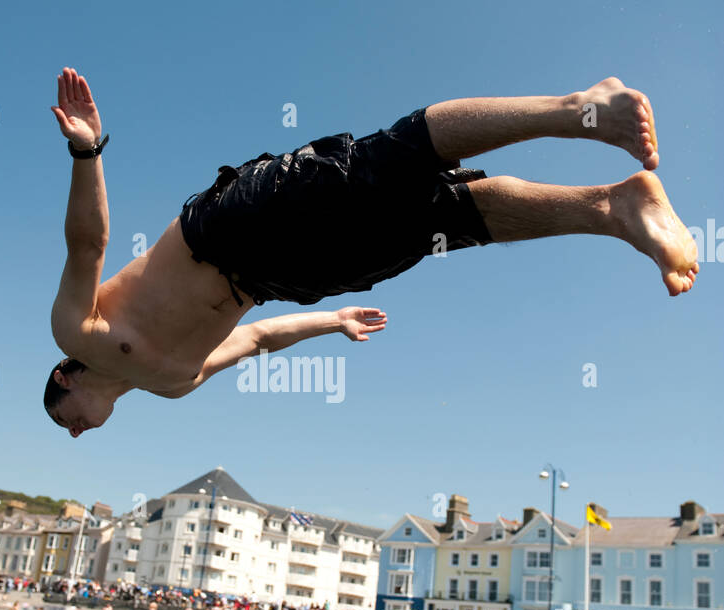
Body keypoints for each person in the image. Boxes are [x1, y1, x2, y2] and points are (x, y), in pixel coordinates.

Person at [43, 70, 696, 434]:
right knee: (432, 223)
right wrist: (334, 321)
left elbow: (89, 241)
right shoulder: (173, 384)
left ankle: (575, 108)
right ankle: (611, 208)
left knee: (376, 169)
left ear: (64, 378)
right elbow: (260, 341)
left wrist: (85, 152)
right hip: (279, 278)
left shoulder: (77, 330)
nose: (75, 432)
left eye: (63, 419)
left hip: (225, 227)